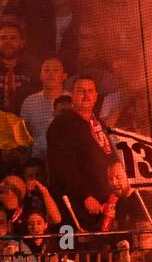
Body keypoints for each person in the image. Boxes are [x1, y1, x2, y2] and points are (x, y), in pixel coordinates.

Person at [45, 76, 116, 231]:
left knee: (103, 245)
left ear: (96, 96)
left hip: (102, 204)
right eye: (80, 91)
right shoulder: (62, 124)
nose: (86, 95)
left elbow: (109, 154)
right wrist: (85, 195)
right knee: (71, 244)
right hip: (72, 205)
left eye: (90, 91)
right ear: (72, 95)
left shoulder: (98, 123)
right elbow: (64, 167)